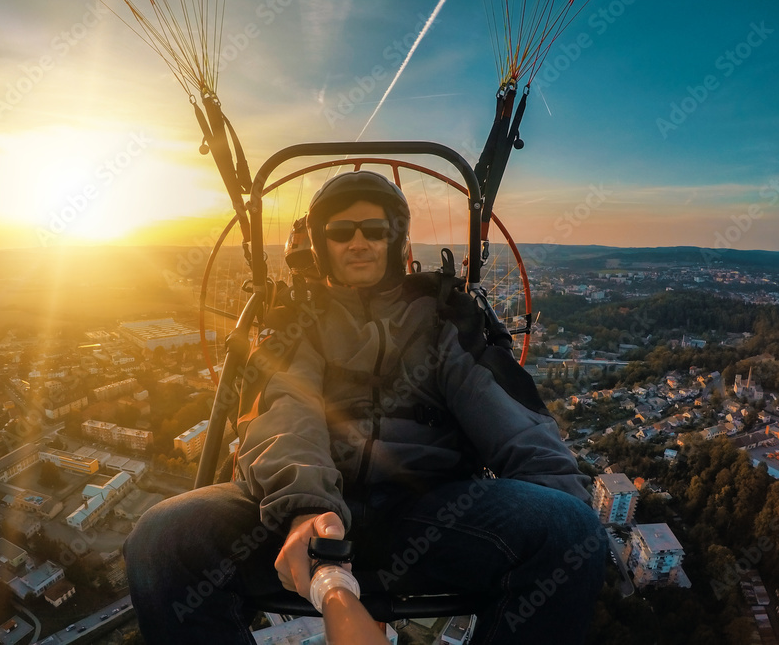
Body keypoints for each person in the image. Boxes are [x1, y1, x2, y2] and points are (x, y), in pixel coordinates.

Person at [124, 171, 606, 644]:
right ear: (321, 245)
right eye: (340, 232)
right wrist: (308, 508)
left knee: (567, 530)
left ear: (395, 241)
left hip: (426, 514)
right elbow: (286, 413)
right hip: (298, 518)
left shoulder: (441, 323)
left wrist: (570, 520)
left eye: (374, 230)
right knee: (164, 538)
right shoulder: (299, 323)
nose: (358, 243)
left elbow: (509, 420)